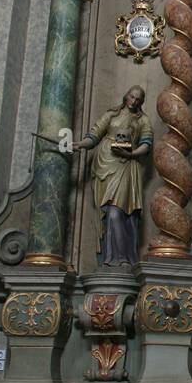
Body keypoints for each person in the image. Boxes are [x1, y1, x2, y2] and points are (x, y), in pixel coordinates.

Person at [73, 86, 153, 266]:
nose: (134, 102)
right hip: (104, 163)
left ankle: (124, 257)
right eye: (132, 97)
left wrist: (132, 154)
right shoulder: (111, 114)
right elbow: (94, 135)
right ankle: (110, 259)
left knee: (120, 212)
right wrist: (80, 144)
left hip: (126, 165)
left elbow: (147, 143)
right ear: (126, 96)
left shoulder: (143, 120)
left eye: (138, 100)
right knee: (108, 212)